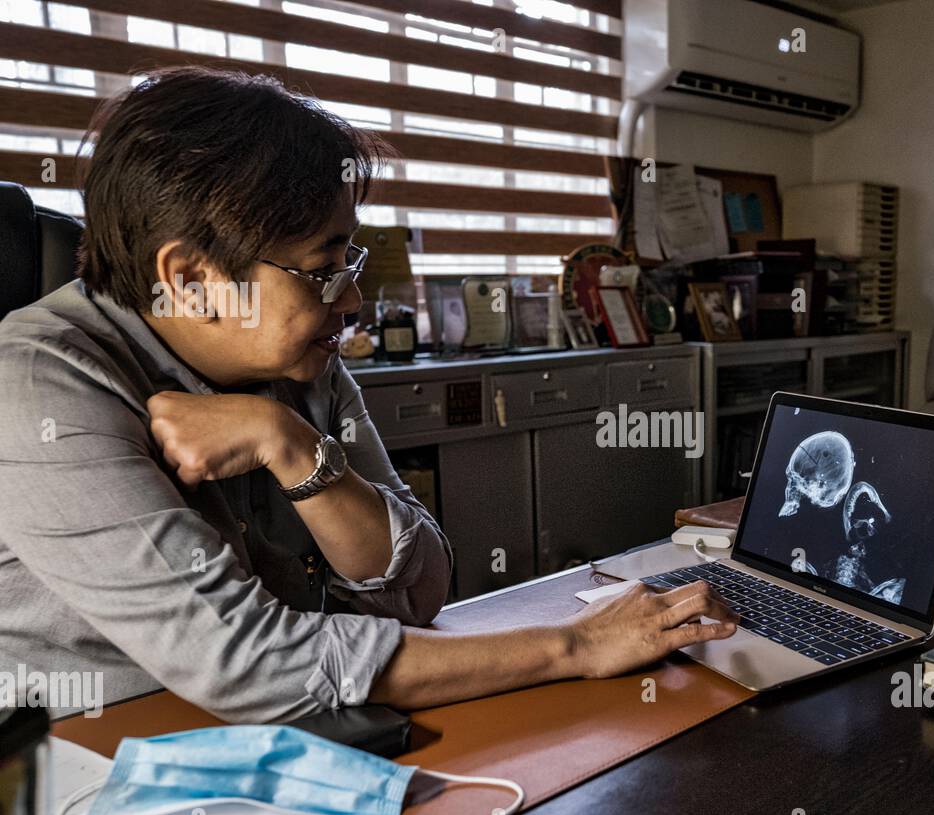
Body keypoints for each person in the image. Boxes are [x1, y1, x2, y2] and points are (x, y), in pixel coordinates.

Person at [0, 67, 736, 722]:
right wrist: (574, 644)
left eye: (348, 255)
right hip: (83, 752)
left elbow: (419, 592)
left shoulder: (300, 362)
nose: (352, 297)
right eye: (324, 267)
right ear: (192, 279)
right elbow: (247, 662)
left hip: (293, 719)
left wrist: (287, 445)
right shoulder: (36, 386)